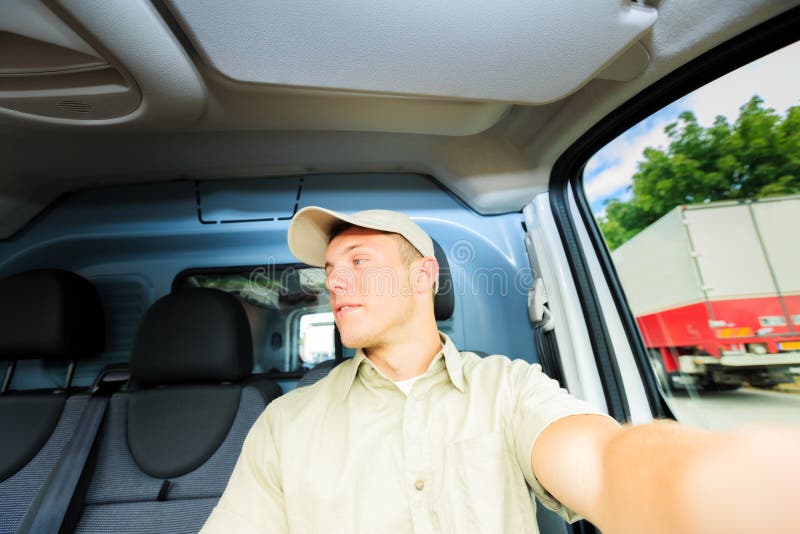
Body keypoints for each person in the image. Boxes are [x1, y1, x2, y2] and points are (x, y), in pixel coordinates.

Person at [202, 207, 798, 534]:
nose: (335, 282)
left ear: (423, 276)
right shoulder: (286, 423)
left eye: (358, 261)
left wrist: (711, 484)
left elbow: (601, 461)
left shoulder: (509, 388)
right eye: (331, 271)